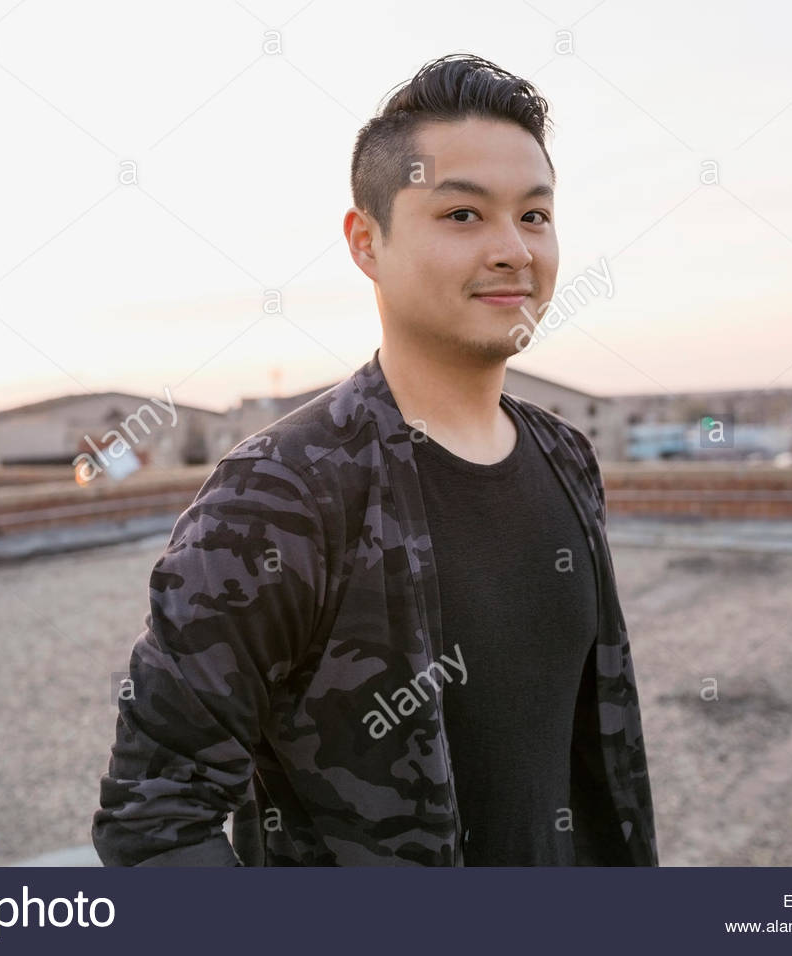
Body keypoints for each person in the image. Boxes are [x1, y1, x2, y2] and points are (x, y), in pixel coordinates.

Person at [92, 52, 658, 866]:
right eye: (462, 215)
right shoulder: (281, 494)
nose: (513, 250)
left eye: (534, 216)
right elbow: (152, 827)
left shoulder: (565, 455)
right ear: (367, 242)